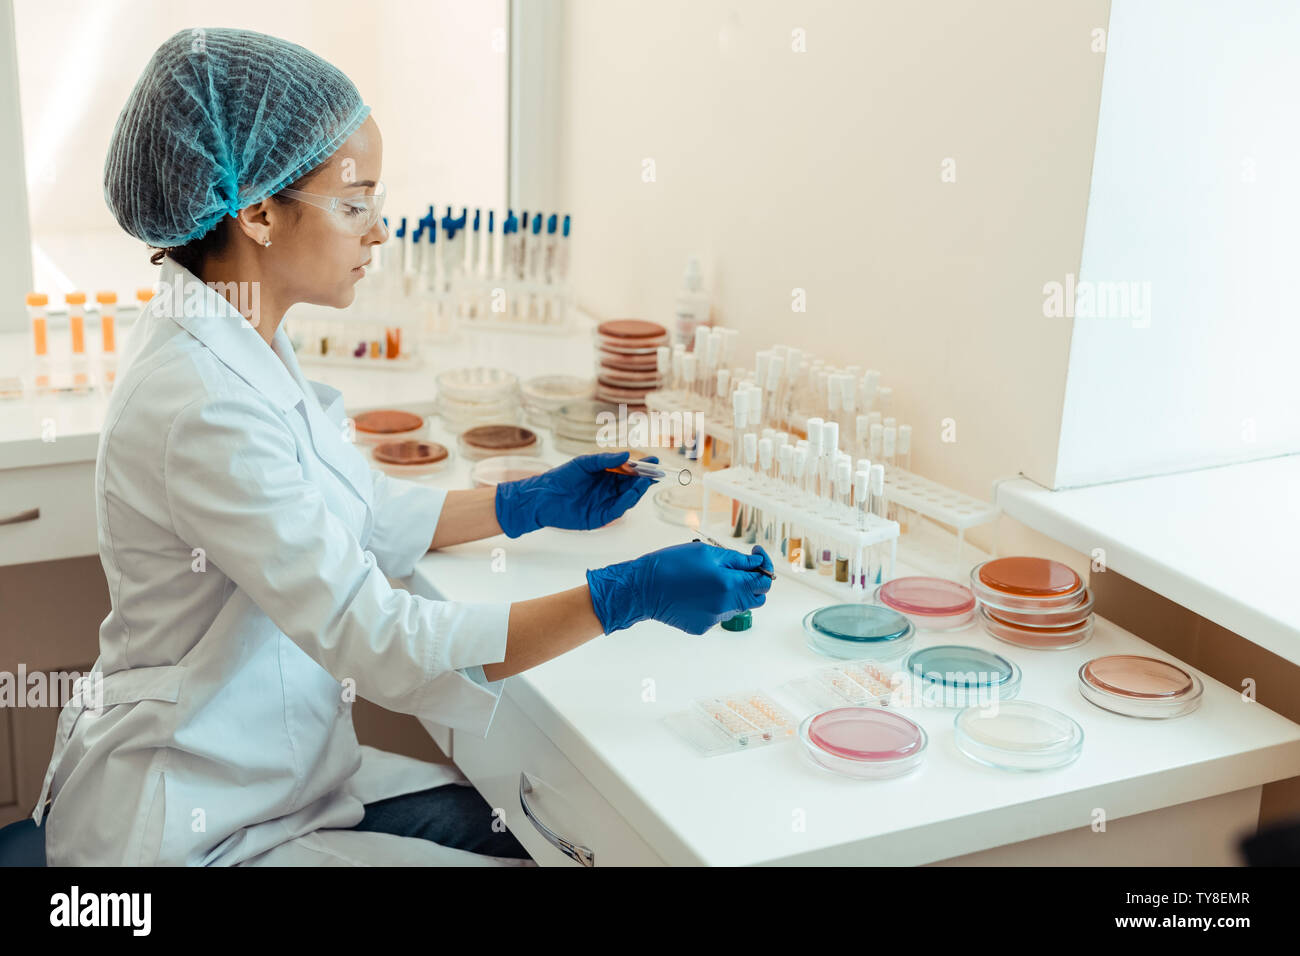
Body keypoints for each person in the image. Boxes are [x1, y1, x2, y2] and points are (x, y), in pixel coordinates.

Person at [32, 27, 771, 867]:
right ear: (259, 212)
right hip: (195, 822)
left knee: (526, 824)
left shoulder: (238, 334)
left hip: (276, 777)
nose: (378, 234)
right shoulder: (201, 403)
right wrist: (620, 598)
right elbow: (375, 639)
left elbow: (362, 513)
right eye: (354, 205)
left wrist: (523, 503)